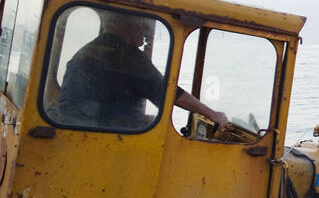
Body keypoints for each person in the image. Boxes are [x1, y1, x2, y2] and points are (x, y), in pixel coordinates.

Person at [58, 9, 229, 131]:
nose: (147, 30)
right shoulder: (123, 55)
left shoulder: (98, 48)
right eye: (142, 22)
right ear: (126, 24)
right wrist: (213, 114)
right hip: (94, 132)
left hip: (82, 124)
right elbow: (167, 92)